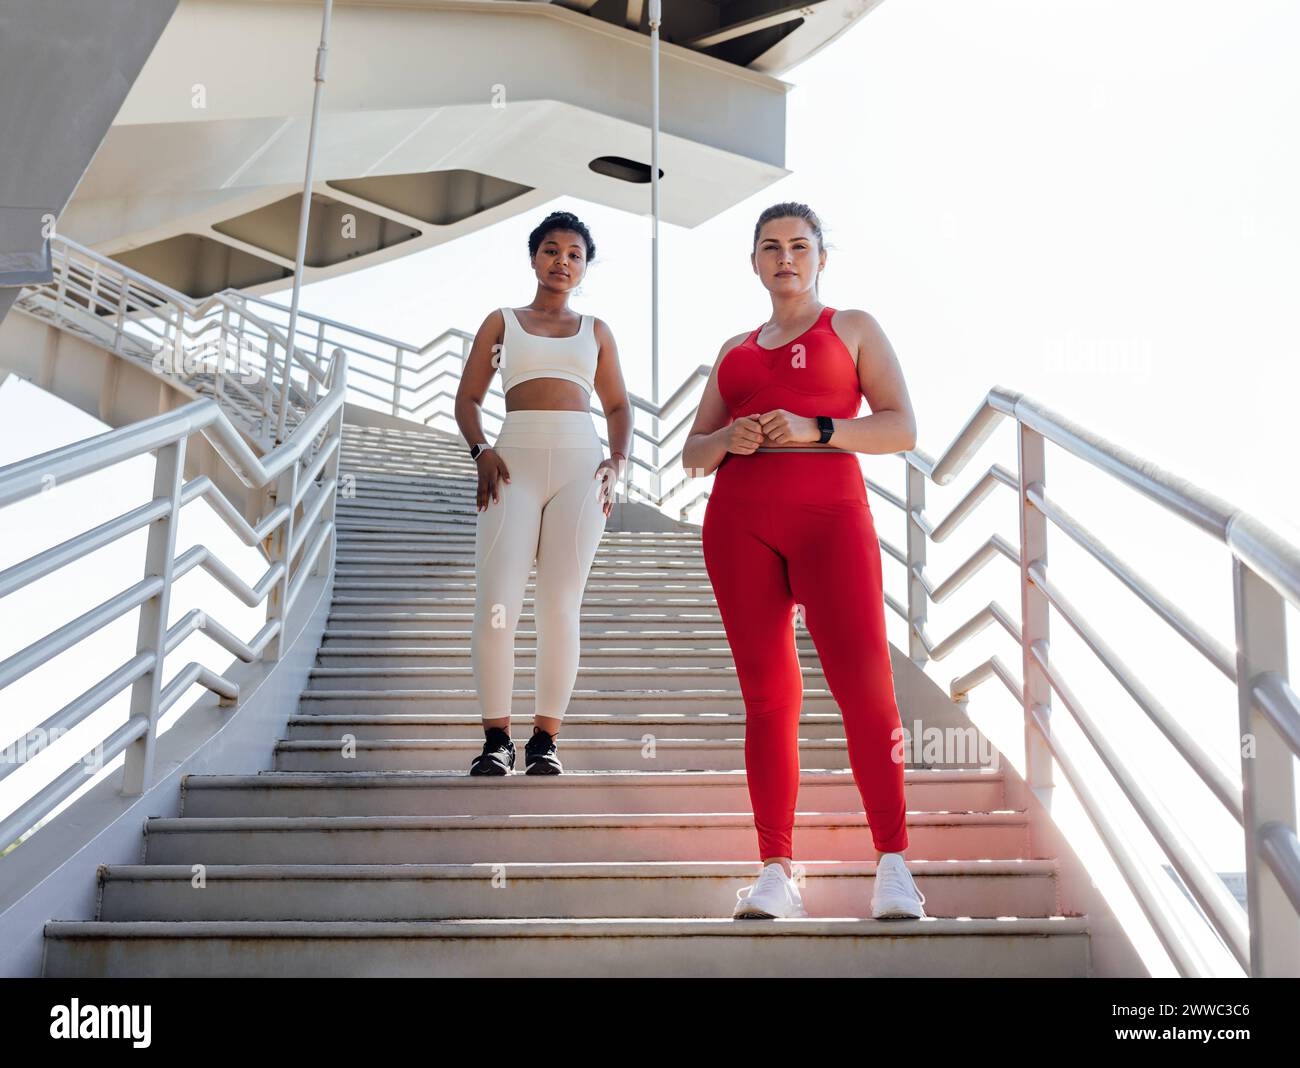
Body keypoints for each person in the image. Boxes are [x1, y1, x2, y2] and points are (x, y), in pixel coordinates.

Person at [682, 201, 927, 920]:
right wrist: (733, 435)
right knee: (767, 698)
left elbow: (901, 427)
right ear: (753, 262)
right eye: (769, 247)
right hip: (738, 526)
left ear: (821, 257)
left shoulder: (850, 327)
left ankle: (893, 863)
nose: (784, 257)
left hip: (832, 523)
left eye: (798, 245)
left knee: (865, 688)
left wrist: (818, 427)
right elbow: (693, 454)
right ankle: (778, 870)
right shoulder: (733, 350)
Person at [454, 210, 632, 776]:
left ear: (584, 268)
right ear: (534, 257)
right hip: (513, 465)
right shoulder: (501, 322)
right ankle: (496, 740)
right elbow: (468, 399)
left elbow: (619, 407)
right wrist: (481, 451)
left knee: (560, 607)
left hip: (582, 467)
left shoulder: (596, 330)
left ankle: (545, 741)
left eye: (575, 254)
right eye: (552, 250)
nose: (563, 261)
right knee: (497, 606)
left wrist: (618, 461)